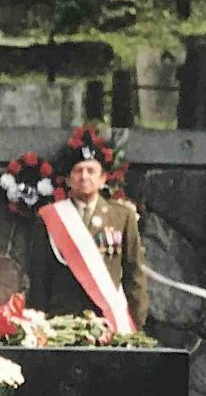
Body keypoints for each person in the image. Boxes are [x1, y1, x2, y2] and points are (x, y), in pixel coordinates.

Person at [38, 140, 148, 333]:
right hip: (62, 324)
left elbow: (134, 274)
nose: (84, 177)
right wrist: (38, 324)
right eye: (78, 171)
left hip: (109, 323)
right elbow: (40, 277)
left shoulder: (122, 216)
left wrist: (136, 324)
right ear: (68, 180)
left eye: (91, 171)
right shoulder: (49, 218)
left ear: (103, 179)